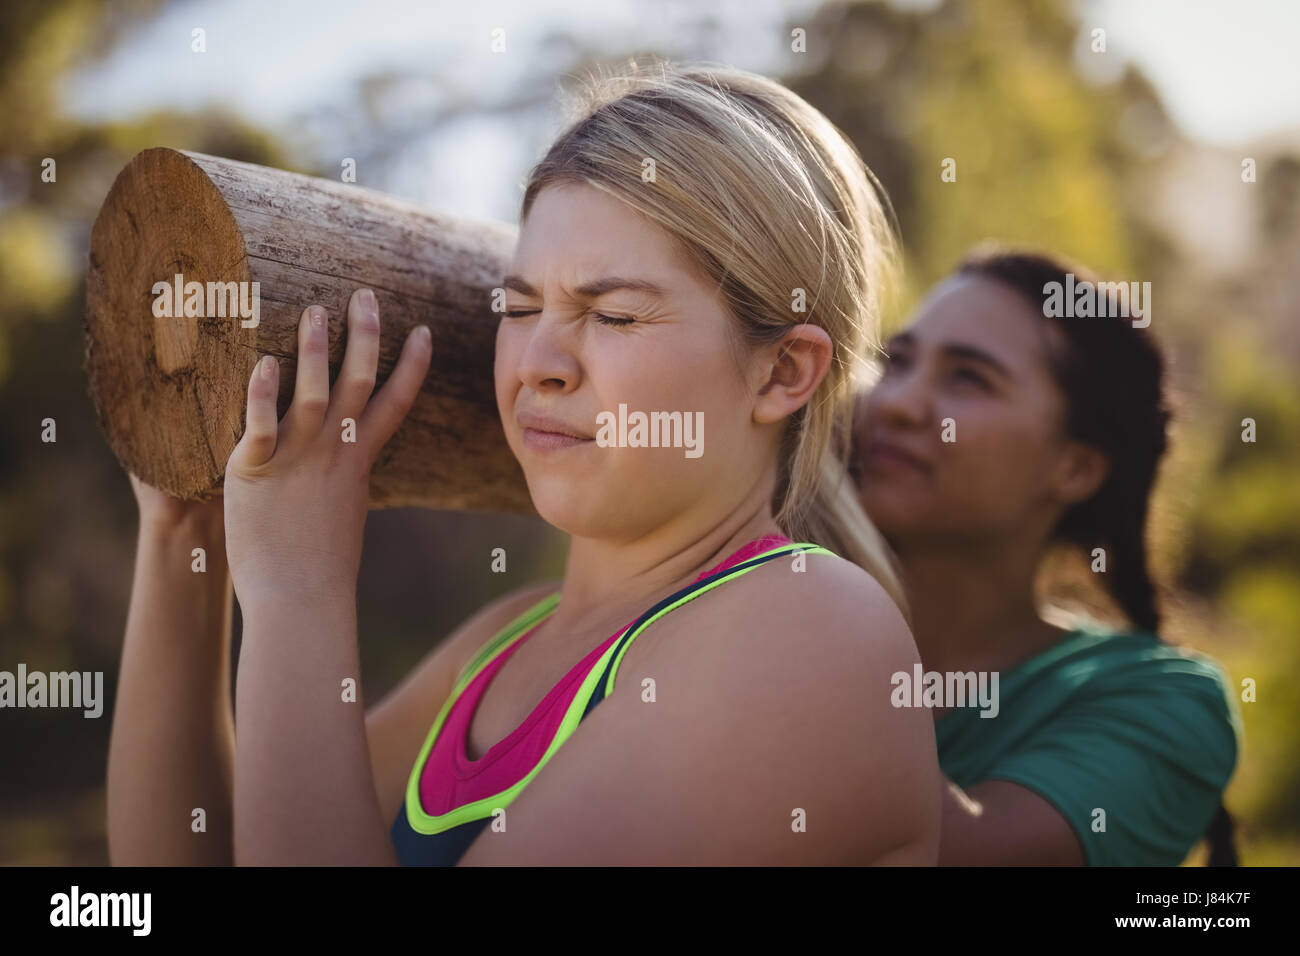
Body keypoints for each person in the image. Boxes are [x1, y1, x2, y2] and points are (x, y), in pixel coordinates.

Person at [110, 60, 940, 866]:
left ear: (782, 371)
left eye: (613, 315)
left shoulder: (813, 631)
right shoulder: (505, 641)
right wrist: (186, 531)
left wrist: (299, 588)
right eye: (519, 305)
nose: (538, 360)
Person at [848, 246, 1242, 866]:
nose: (896, 403)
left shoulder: (1159, 702)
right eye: (896, 361)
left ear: (1075, 468)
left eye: (968, 378)